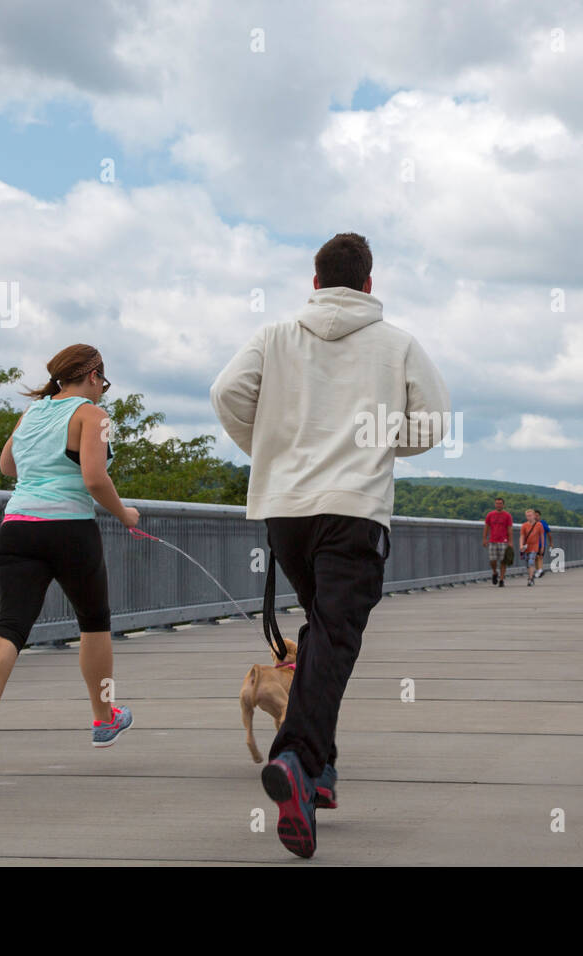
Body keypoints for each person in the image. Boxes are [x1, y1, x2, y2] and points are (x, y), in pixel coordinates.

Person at [210, 232, 450, 858]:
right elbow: (433, 420)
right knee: (336, 638)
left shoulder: (273, 336)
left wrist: (271, 452)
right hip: (352, 512)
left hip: (287, 513)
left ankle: (322, 773)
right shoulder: (396, 343)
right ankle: (297, 759)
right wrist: (373, 443)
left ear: (314, 282)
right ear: (369, 285)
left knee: (321, 630)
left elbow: (225, 394)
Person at [0, 344, 139, 789]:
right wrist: (124, 514)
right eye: (104, 382)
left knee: (10, 624)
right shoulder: (93, 416)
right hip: (70, 529)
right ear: (94, 376)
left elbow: (7, 465)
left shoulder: (32, 415)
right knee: (94, 622)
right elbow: (95, 479)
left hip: (18, 527)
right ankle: (103, 719)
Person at [483, 497, 515, 587]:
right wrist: (485, 539)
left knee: (503, 561)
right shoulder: (490, 515)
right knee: (492, 560)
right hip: (493, 540)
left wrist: (510, 541)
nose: (498, 505)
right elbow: (486, 527)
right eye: (497, 503)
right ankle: (494, 572)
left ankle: (501, 579)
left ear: (503, 505)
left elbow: (510, 529)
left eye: (500, 503)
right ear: (495, 504)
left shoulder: (507, 516)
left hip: (503, 541)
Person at [519, 508, 545, 586]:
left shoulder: (539, 525)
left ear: (534, 516)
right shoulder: (524, 525)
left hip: (535, 547)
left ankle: (530, 579)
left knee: (531, 561)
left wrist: (542, 547)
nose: (529, 517)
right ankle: (531, 576)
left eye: (530, 516)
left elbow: (542, 536)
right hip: (526, 547)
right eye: (527, 516)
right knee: (527, 563)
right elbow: (522, 536)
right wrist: (521, 545)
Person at [534, 508, 551, 578]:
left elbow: (549, 533)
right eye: (535, 515)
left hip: (541, 544)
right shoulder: (531, 523)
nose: (536, 517)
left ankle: (540, 570)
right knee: (535, 558)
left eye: (537, 516)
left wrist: (551, 542)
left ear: (539, 516)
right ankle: (538, 571)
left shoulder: (543, 523)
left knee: (539, 557)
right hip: (533, 544)